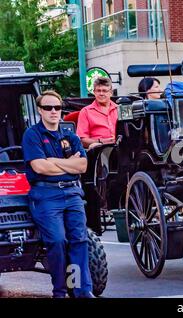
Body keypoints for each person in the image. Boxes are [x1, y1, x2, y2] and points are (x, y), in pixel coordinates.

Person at [22, 91, 94, 298]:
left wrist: (53, 161)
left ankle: (81, 290)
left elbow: (82, 165)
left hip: (72, 193)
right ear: (39, 110)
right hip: (46, 194)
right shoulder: (32, 135)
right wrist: (67, 164)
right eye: (48, 108)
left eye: (57, 107)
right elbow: (39, 167)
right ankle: (60, 291)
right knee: (57, 241)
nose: (53, 111)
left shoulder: (70, 135)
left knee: (79, 240)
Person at [76, 77, 118, 150]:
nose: (101, 93)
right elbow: (82, 140)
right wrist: (101, 142)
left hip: (121, 148)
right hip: (99, 150)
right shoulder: (86, 111)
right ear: (94, 92)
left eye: (104, 91)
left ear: (111, 93)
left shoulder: (119, 109)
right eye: (98, 91)